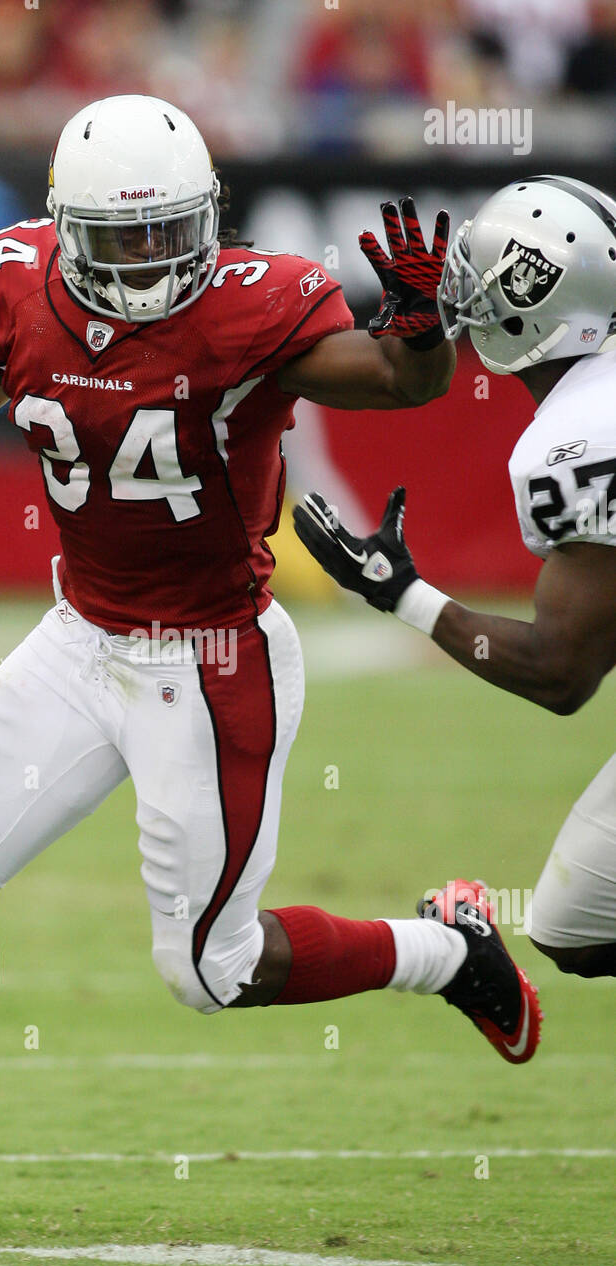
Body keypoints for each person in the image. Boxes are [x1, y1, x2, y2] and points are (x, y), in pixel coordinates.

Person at [0, 95, 540, 1236]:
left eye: (164, 233)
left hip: (211, 656)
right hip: (79, 634)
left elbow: (395, 382)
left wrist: (422, 329)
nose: (143, 262)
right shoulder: (9, 277)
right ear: (60, 227)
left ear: (208, 221)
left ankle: (446, 947)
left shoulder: (255, 306)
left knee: (211, 970)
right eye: (117, 237)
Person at [294, 173, 616, 985]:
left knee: (573, 928)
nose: (456, 292)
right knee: (574, 927)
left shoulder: (578, 437)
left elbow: (561, 673)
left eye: (478, 273)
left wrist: (401, 592)